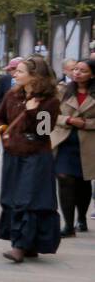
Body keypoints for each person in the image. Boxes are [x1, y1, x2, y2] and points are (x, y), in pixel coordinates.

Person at [0, 56, 62, 262]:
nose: (15, 75)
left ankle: (20, 245)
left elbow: (43, 132)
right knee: (11, 197)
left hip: (35, 156)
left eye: (20, 72)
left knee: (29, 199)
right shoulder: (12, 95)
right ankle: (27, 243)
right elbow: (1, 117)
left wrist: (33, 111)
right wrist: (3, 132)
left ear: (35, 76)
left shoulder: (49, 101)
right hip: (12, 152)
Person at [54, 57, 95, 235]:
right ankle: (68, 225)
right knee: (64, 179)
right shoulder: (61, 90)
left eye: (83, 71)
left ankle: (82, 218)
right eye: (76, 69)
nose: (77, 73)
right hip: (63, 143)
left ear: (93, 74)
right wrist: (68, 119)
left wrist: (85, 124)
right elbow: (46, 114)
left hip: (88, 145)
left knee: (83, 182)